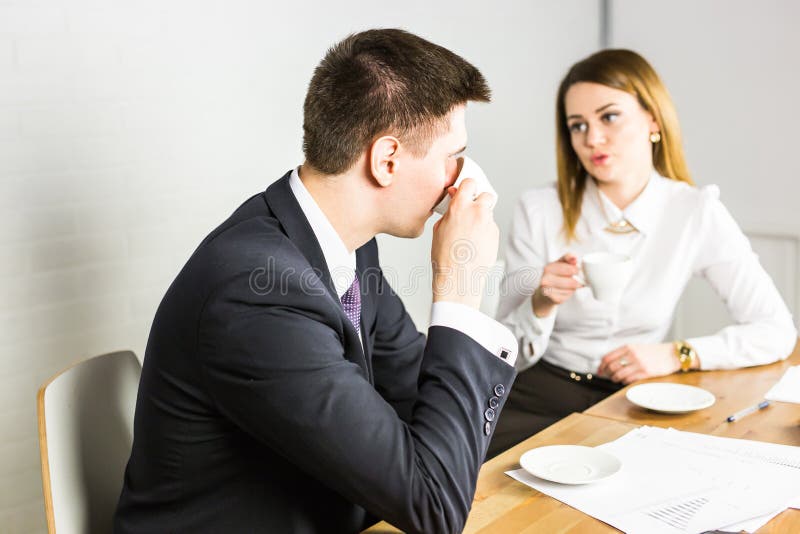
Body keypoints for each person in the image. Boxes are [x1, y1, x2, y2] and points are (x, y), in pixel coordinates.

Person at [114, 29, 518, 534]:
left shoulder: (345, 244)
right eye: (452, 156)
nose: (460, 180)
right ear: (386, 160)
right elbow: (433, 506)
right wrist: (459, 292)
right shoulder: (255, 296)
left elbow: (421, 399)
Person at [488, 49, 796, 457]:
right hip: (537, 393)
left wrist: (677, 354)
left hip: (639, 398)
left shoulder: (695, 211)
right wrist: (541, 304)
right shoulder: (540, 209)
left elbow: (776, 331)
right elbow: (503, 352)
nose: (592, 138)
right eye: (577, 125)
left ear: (653, 119)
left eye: (609, 117)